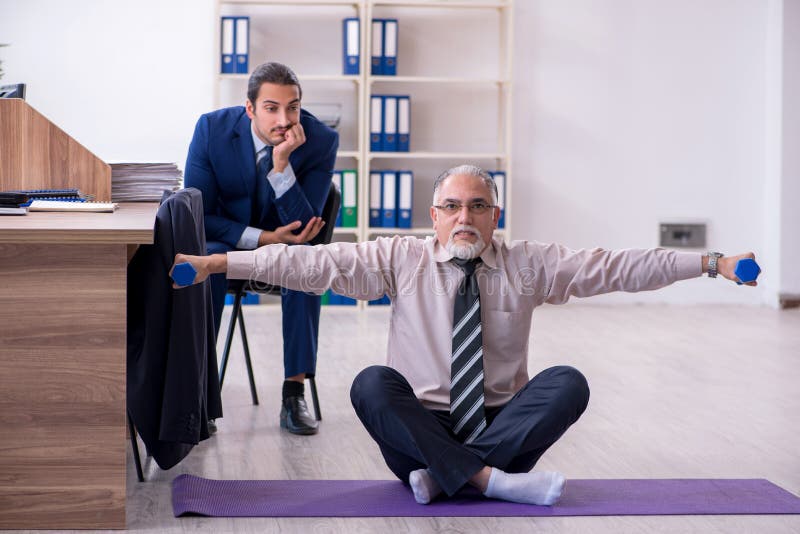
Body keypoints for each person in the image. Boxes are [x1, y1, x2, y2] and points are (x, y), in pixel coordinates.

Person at [171, 164, 757, 506]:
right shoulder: (400, 258)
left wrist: (711, 263)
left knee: (567, 383)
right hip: (417, 431)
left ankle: (455, 473)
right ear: (434, 217)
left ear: (494, 216)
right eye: (451, 207)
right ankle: (492, 482)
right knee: (372, 383)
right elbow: (310, 265)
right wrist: (218, 265)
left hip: (501, 425)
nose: (464, 218)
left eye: (478, 207)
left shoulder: (529, 262)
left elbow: (620, 266)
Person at [184, 61, 338, 435]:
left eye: (293, 107)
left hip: (287, 248)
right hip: (227, 237)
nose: (284, 120)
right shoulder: (212, 130)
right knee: (206, 260)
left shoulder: (319, 140)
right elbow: (198, 213)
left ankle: (293, 394)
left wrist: (281, 166)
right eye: (272, 108)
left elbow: (306, 230)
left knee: (305, 265)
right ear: (250, 108)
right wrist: (264, 237)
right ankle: (198, 395)